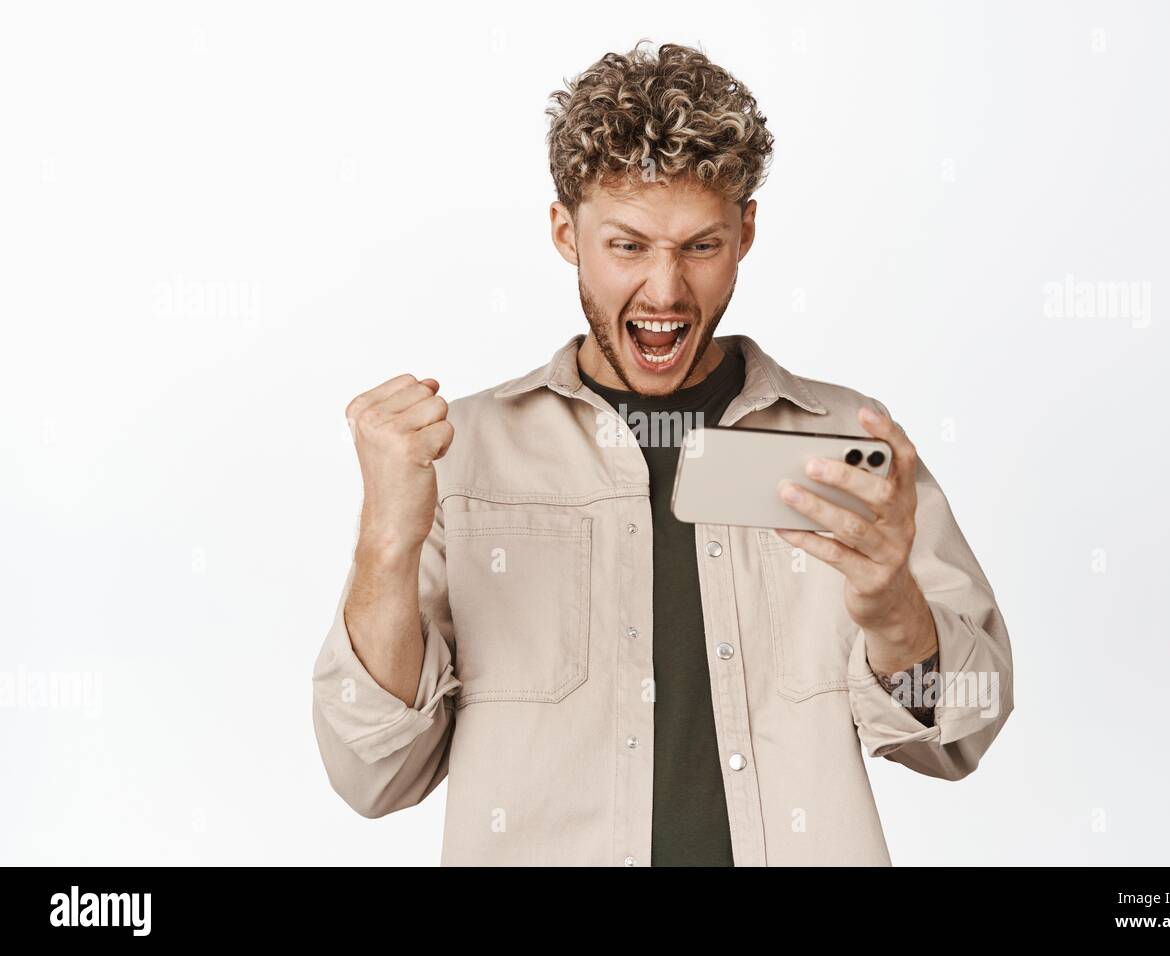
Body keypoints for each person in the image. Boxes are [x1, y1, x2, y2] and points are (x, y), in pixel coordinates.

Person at [311, 40, 1013, 866]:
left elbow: (964, 728)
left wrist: (892, 601)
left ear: (746, 231)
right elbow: (372, 770)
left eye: (700, 247)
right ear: (564, 232)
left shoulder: (849, 444)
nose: (667, 291)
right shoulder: (462, 458)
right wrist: (386, 541)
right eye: (629, 246)